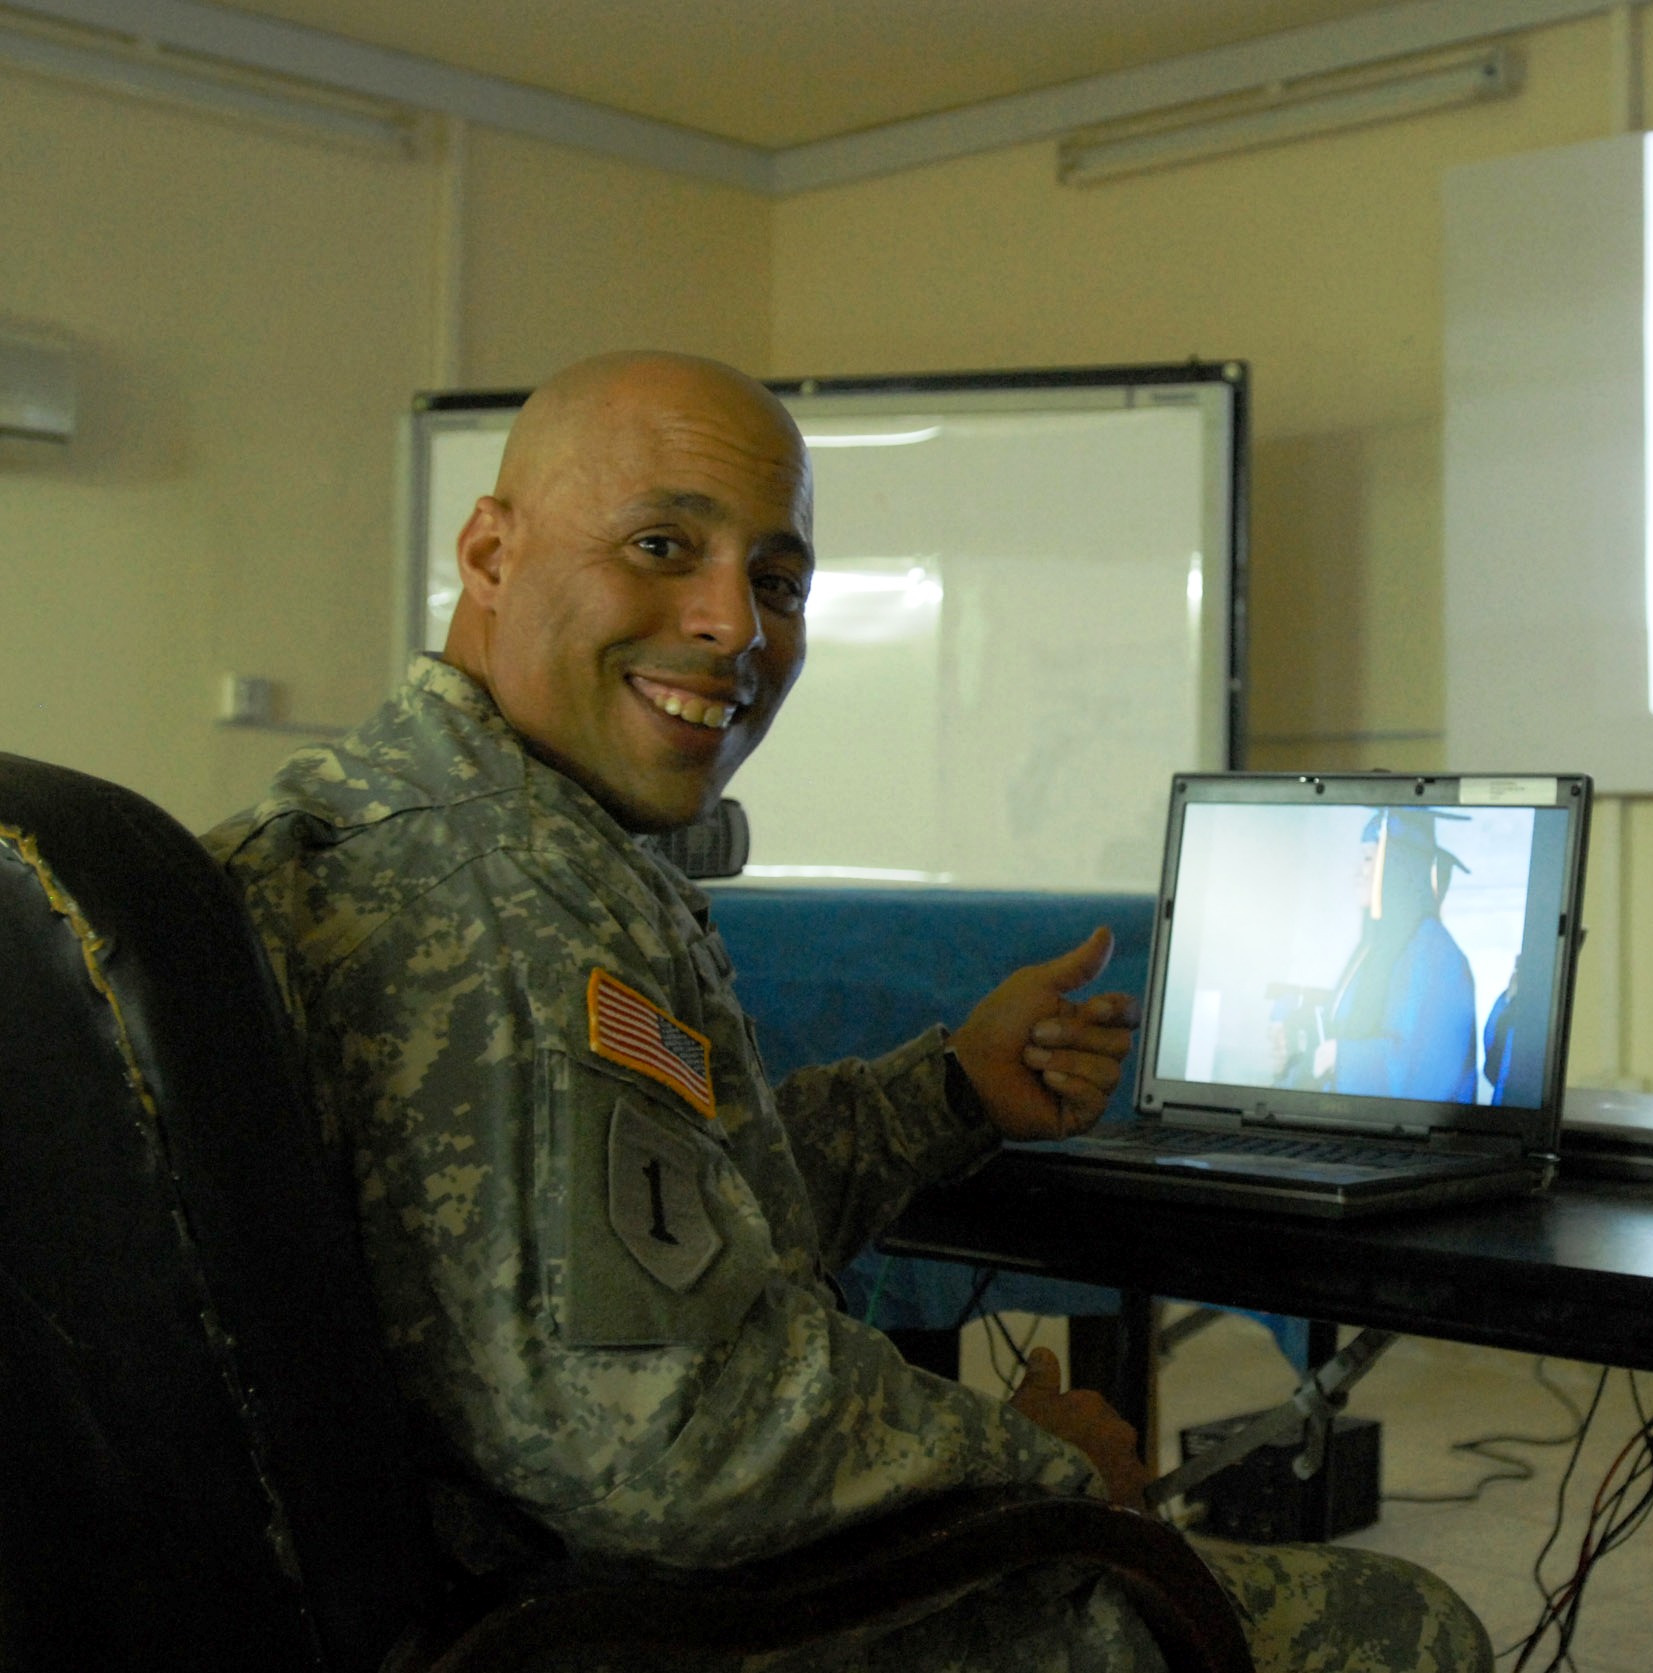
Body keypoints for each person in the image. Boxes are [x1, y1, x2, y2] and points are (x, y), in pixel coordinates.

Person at [207, 351, 1490, 1673]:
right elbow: (675, 1434)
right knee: (1403, 1630)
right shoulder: (510, 902)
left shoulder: (387, 816)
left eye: (777, 580)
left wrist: (948, 1090)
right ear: (490, 551)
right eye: (661, 545)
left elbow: (664, 1234)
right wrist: (1042, 1461)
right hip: (610, 1619)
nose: (734, 625)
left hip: (504, 1581)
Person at [1315, 811, 1477, 1104]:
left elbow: (1427, 1077)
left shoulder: (1436, 954)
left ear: (1397, 866)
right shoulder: (1375, 947)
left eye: (1368, 859)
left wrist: (1343, 1057)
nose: (1357, 871)